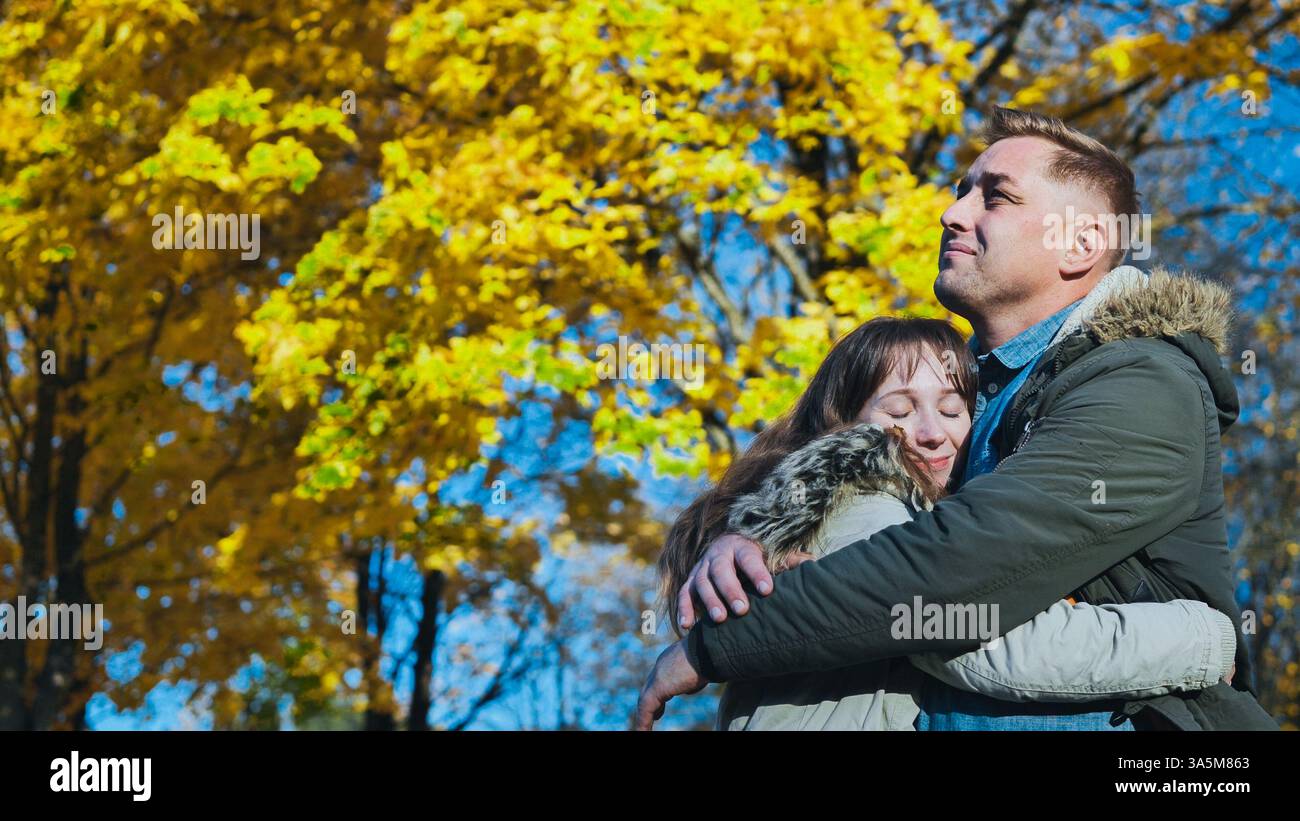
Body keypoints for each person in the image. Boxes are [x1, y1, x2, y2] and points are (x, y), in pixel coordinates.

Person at [634, 107, 1276, 731]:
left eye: (996, 197)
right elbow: (829, 470)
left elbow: (959, 573)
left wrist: (719, 645)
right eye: (960, 190)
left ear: (1080, 244)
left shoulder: (1140, 381)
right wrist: (754, 537)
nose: (952, 213)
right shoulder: (958, 396)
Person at [657, 316, 1235, 730]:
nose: (932, 432)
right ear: (846, 423)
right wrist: (1203, 639)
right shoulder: (861, 494)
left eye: (953, 410)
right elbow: (978, 643)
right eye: (899, 411)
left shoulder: (879, 505)